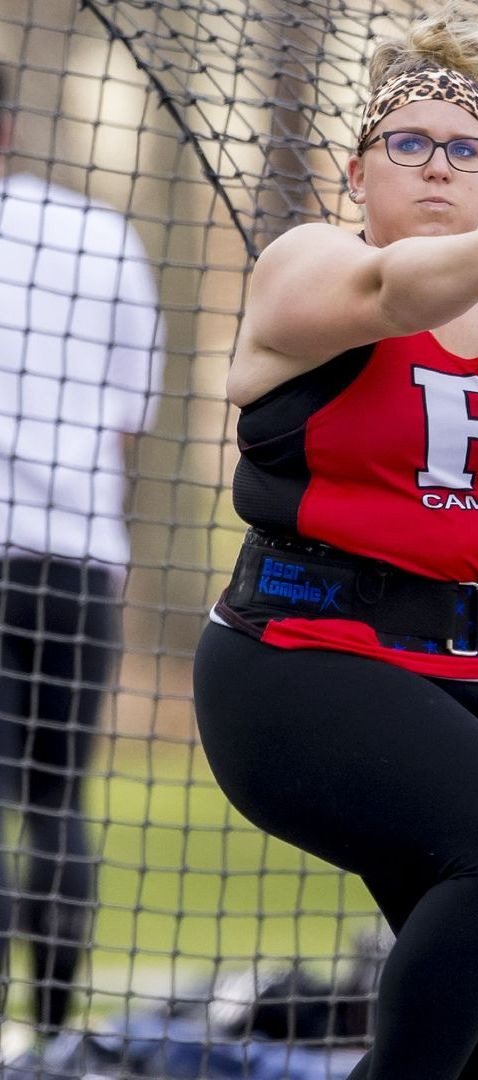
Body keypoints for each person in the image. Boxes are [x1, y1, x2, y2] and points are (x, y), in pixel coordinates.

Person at [189, 3, 478, 1077]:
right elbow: (395, 292)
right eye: (410, 147)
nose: (438, 169)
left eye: (466, 152)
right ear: (358, 173)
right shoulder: (308, 264)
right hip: (302, 660)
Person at [0, 64, 165, 1042]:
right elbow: (129, 419)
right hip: (74, 562)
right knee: (56, 802)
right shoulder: (97, 233)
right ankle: (54, 1034)